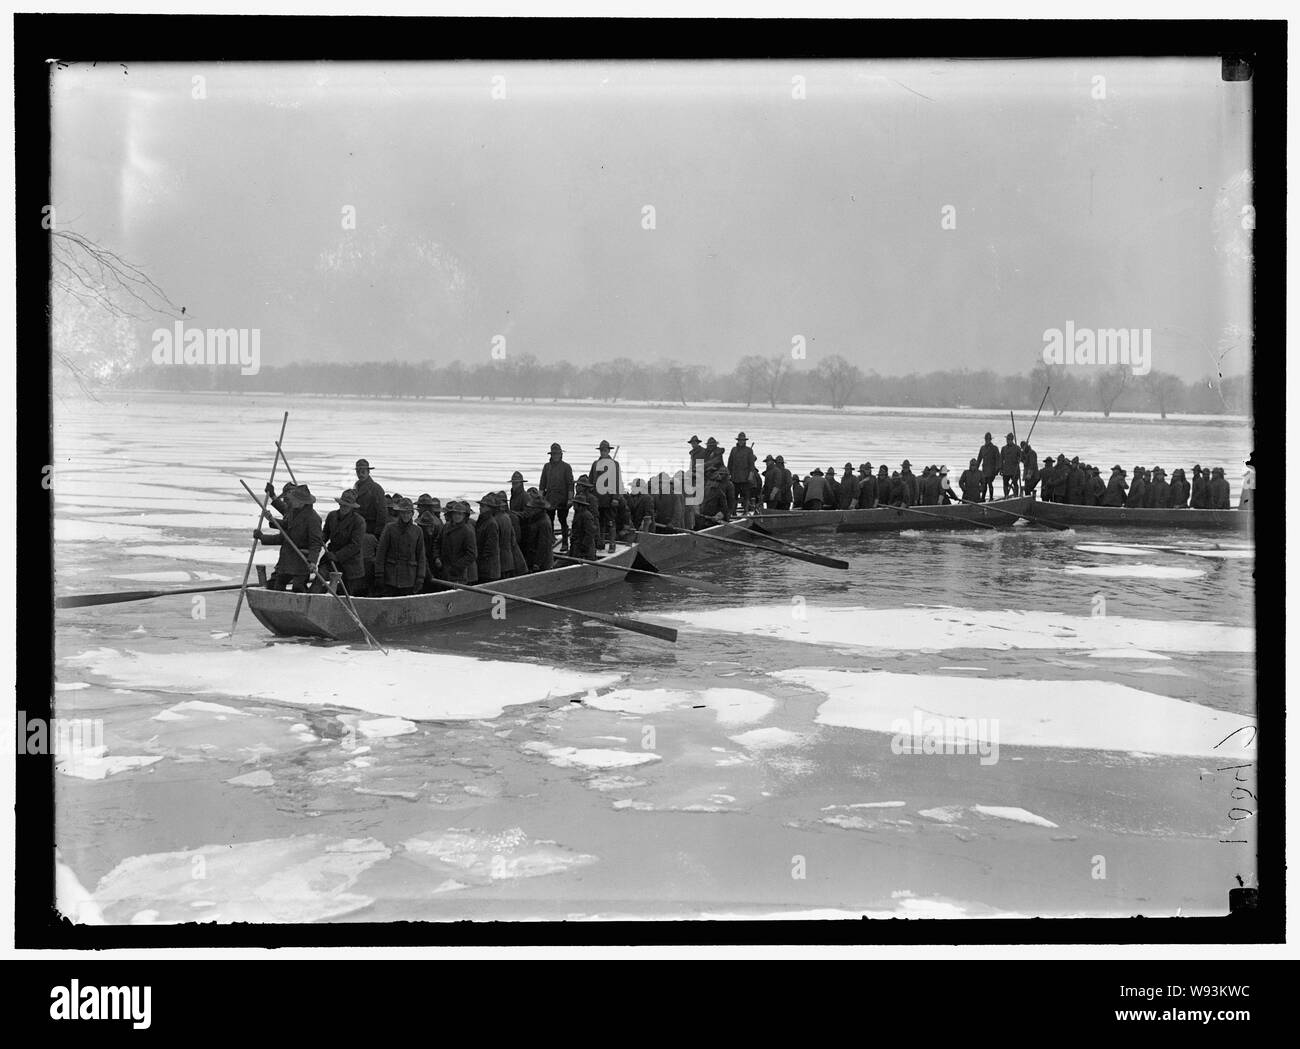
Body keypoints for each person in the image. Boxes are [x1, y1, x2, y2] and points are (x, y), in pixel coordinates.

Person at [255, 483, 323, 593]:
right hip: (288, 558)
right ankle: (278, 607)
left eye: (293, 499)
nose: (289, 501)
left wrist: (313, 561)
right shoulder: (294, 511)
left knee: (298, 587)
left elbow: (316, 543)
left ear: (301, 502)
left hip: (302, 559)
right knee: (277, 585)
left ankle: (300, 608)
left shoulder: (313, 519)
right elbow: (287, 525)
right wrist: (272, 520)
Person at [374, 496, 426, 597]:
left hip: (409, 578)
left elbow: (421, 556)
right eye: (403, 512)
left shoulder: (417, 531)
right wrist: (379, 573)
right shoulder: (389, 528)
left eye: (408, 512)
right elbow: (381, 553)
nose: (405, 515)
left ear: (412, 513)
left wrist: (420, 577)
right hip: (391, 577)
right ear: (399, 513)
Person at [321, 489, 369, 596]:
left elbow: (355, 545)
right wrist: (319, 538)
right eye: (342, 504)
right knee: (320, 579)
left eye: (347, 506)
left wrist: (337, 556)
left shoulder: (359, 521)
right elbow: (325, 534)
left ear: (352, 507)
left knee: (346, 593)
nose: (344, 507)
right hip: (330, 558)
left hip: (350, 563)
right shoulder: (332, 516)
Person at [539, 442, 575, 553]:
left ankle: (565, 543)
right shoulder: (546, 467)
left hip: (563, 499)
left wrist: (570, 498)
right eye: (553, 453)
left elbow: (570, 484)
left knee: (563, 520)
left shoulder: (566, 467)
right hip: (549, 499)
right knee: (548, 521)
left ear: (560, 454)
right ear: (551, 454)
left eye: (557, 453)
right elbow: (542, 484)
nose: (555, 455)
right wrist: (540, 499)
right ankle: (550, 540)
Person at [589, 440, 622, 549]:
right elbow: (590, 481)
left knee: (611, 522)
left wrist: (615, 498)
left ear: (608, 451)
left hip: (609, 498)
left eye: (605, 450)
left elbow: (617, 482)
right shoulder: (595, 464)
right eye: (602, 450)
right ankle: (600, 542)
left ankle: (612, 543)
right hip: (597, 499)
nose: (603, 452)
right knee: (599, 522)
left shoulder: (615, 464)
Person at [437, 500, 478, 584]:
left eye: (460, 514)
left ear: (464, 516)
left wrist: (456, 567)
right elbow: (437, 542)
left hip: (459, 574)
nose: (457, 516)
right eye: (455, 513)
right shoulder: (446, 527)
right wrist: (436, 557)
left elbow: (472, 554)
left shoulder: (467, 531)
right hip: (444, 570)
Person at [518, 490, 555, 572]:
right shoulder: (536, 519)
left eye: (532, 508)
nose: (530, 510)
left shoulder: (544, 522)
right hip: (534, 558)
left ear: (538, 509)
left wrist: (537, 563)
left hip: (542, 563)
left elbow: (543, 545)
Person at [494, 490, 526, 577]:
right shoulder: (506, 516)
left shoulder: (511, 517)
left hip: (511, 557)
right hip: (509, 557)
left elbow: (516, 539)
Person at [352, 458, 387, 538]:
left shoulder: (376, 488)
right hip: (357, 528)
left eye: (363, 471)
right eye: (358, 472)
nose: (360, 474)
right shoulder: (356, 487)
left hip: (370, 529)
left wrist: (378, 532)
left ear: (368, 472)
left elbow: (382, 512)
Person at [473, 492, 503, 584]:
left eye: (483, 506)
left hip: (489, 570)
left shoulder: (491, 523)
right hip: (486, 568)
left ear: (489, 508)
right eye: (480, 506)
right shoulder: (483, 521)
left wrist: (479, 559)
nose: (480, 508)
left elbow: (490, 547)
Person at [727, 432, 757, 513]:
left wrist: (750, 475)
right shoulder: (733, 450)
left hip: (745, 478)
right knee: (734, 496)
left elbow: (751, 465)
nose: (741, 441)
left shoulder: (749, 450)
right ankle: (733, 512)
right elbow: (730, 463)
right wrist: (728, 474)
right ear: (738, 440)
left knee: (746, 496)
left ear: (745, 441)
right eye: (740, 440)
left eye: (743, 440)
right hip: (735, 477)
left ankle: (746, 511)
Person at [416, 505, 443, 591]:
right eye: (427, 526)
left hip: (435, 566)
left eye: (431, 526)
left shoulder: (437, 532)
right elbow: (422, 556)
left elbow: (437, 547)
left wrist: (436, 558)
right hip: (423, 569)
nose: (430, 528)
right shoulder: (418, 536)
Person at [569, 492, 600, 560]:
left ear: (580, 505)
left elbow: (589, 533)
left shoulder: (586, 516)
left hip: (584, 551)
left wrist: (583, 548)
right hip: (576, 548)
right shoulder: (578, 514)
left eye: (575, 503)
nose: (573, 505)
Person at [976, 433, 1000, 502]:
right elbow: (979, 459)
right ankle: (983, 498)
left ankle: (991, 498)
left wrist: (997, 469)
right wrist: (976, 468)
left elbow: (998, 459)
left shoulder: (995, 448)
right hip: (984, 470)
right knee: (984, 484)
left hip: (992, 470)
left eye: (988, 439)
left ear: (990, 439)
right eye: (986, 439)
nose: (987, 440)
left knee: (989, 483)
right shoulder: (982, 448)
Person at [1000, 433, 1021, 497]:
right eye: (1007, 439)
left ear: (1012, 440)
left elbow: (1021, 457)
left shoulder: (1017, 448)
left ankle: (1016, 496)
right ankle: (1006, 495)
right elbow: (1001, 459)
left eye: (1009, 439)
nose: (1007, 440)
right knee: (1005, 484)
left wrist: (1019, 458)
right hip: (1006, 470)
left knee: (1015, 483)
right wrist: (1001, 469)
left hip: (1014, 470)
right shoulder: (1003, 448)